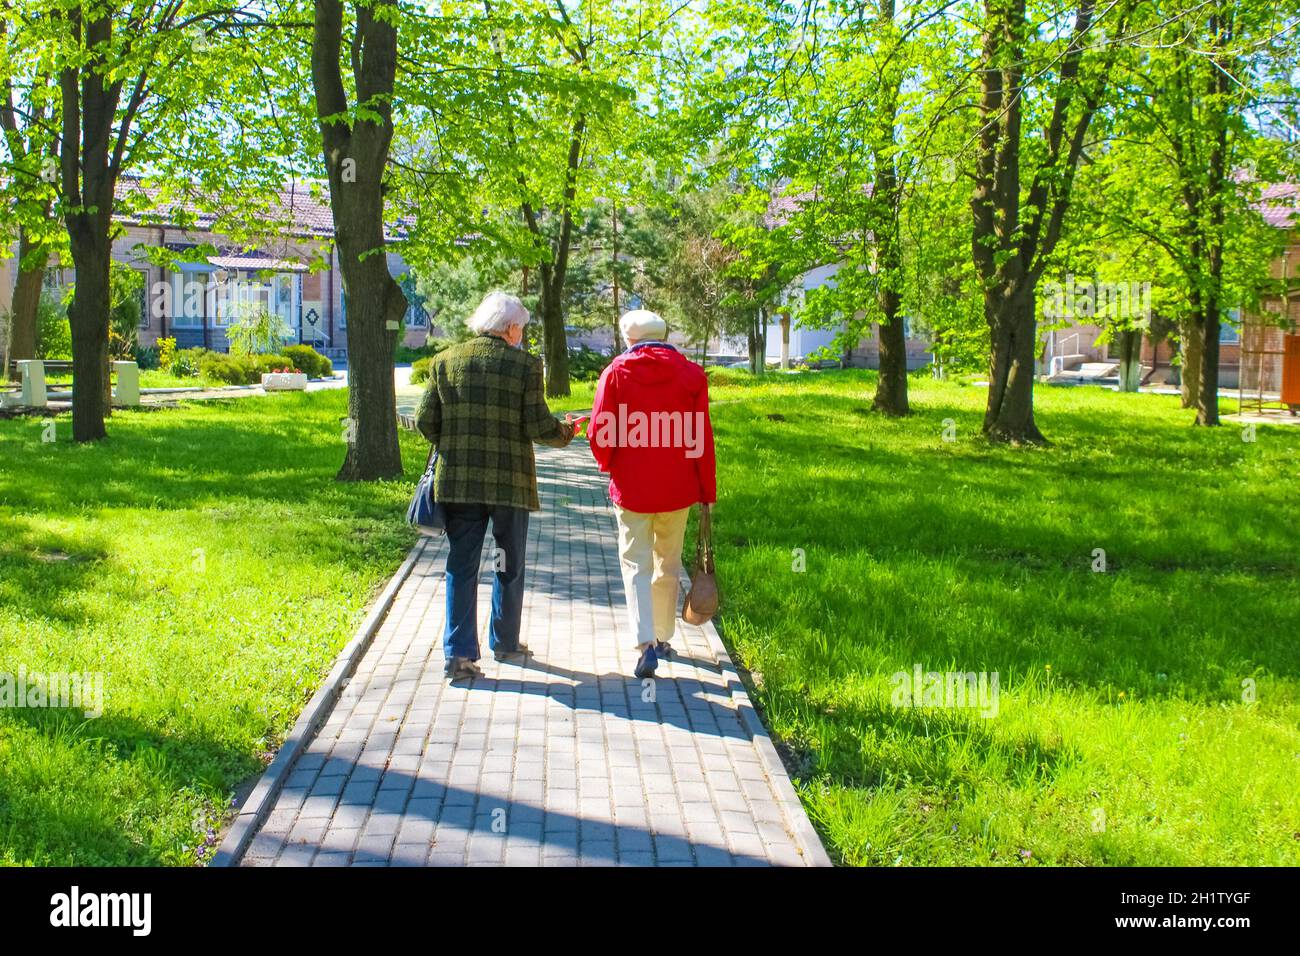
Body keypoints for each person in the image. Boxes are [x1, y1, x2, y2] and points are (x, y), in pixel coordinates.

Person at [416, 291, 580, 681]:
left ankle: (458, 654)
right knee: (508, 562)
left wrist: (452, 440)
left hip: (459, 482)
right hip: (510, 484)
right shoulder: (525, 366)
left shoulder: (444, 362)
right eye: (520, 329)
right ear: (510, 328)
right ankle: (505, 642)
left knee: (462, 564)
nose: (521, 336)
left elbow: (425, 421)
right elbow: (539, 425)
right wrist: (567, 431)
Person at [588, 309, 716, 679]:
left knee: (635, 563)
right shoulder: (692, 376)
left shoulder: (614, 374)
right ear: (664, 337)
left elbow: (600, 431)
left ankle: (645, 644)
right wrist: (707, 489)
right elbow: (701, 440)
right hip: (678, 490)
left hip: (632, 489)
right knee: (668, 562)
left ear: (630, 340)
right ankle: (662, 637)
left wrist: (608, 462)